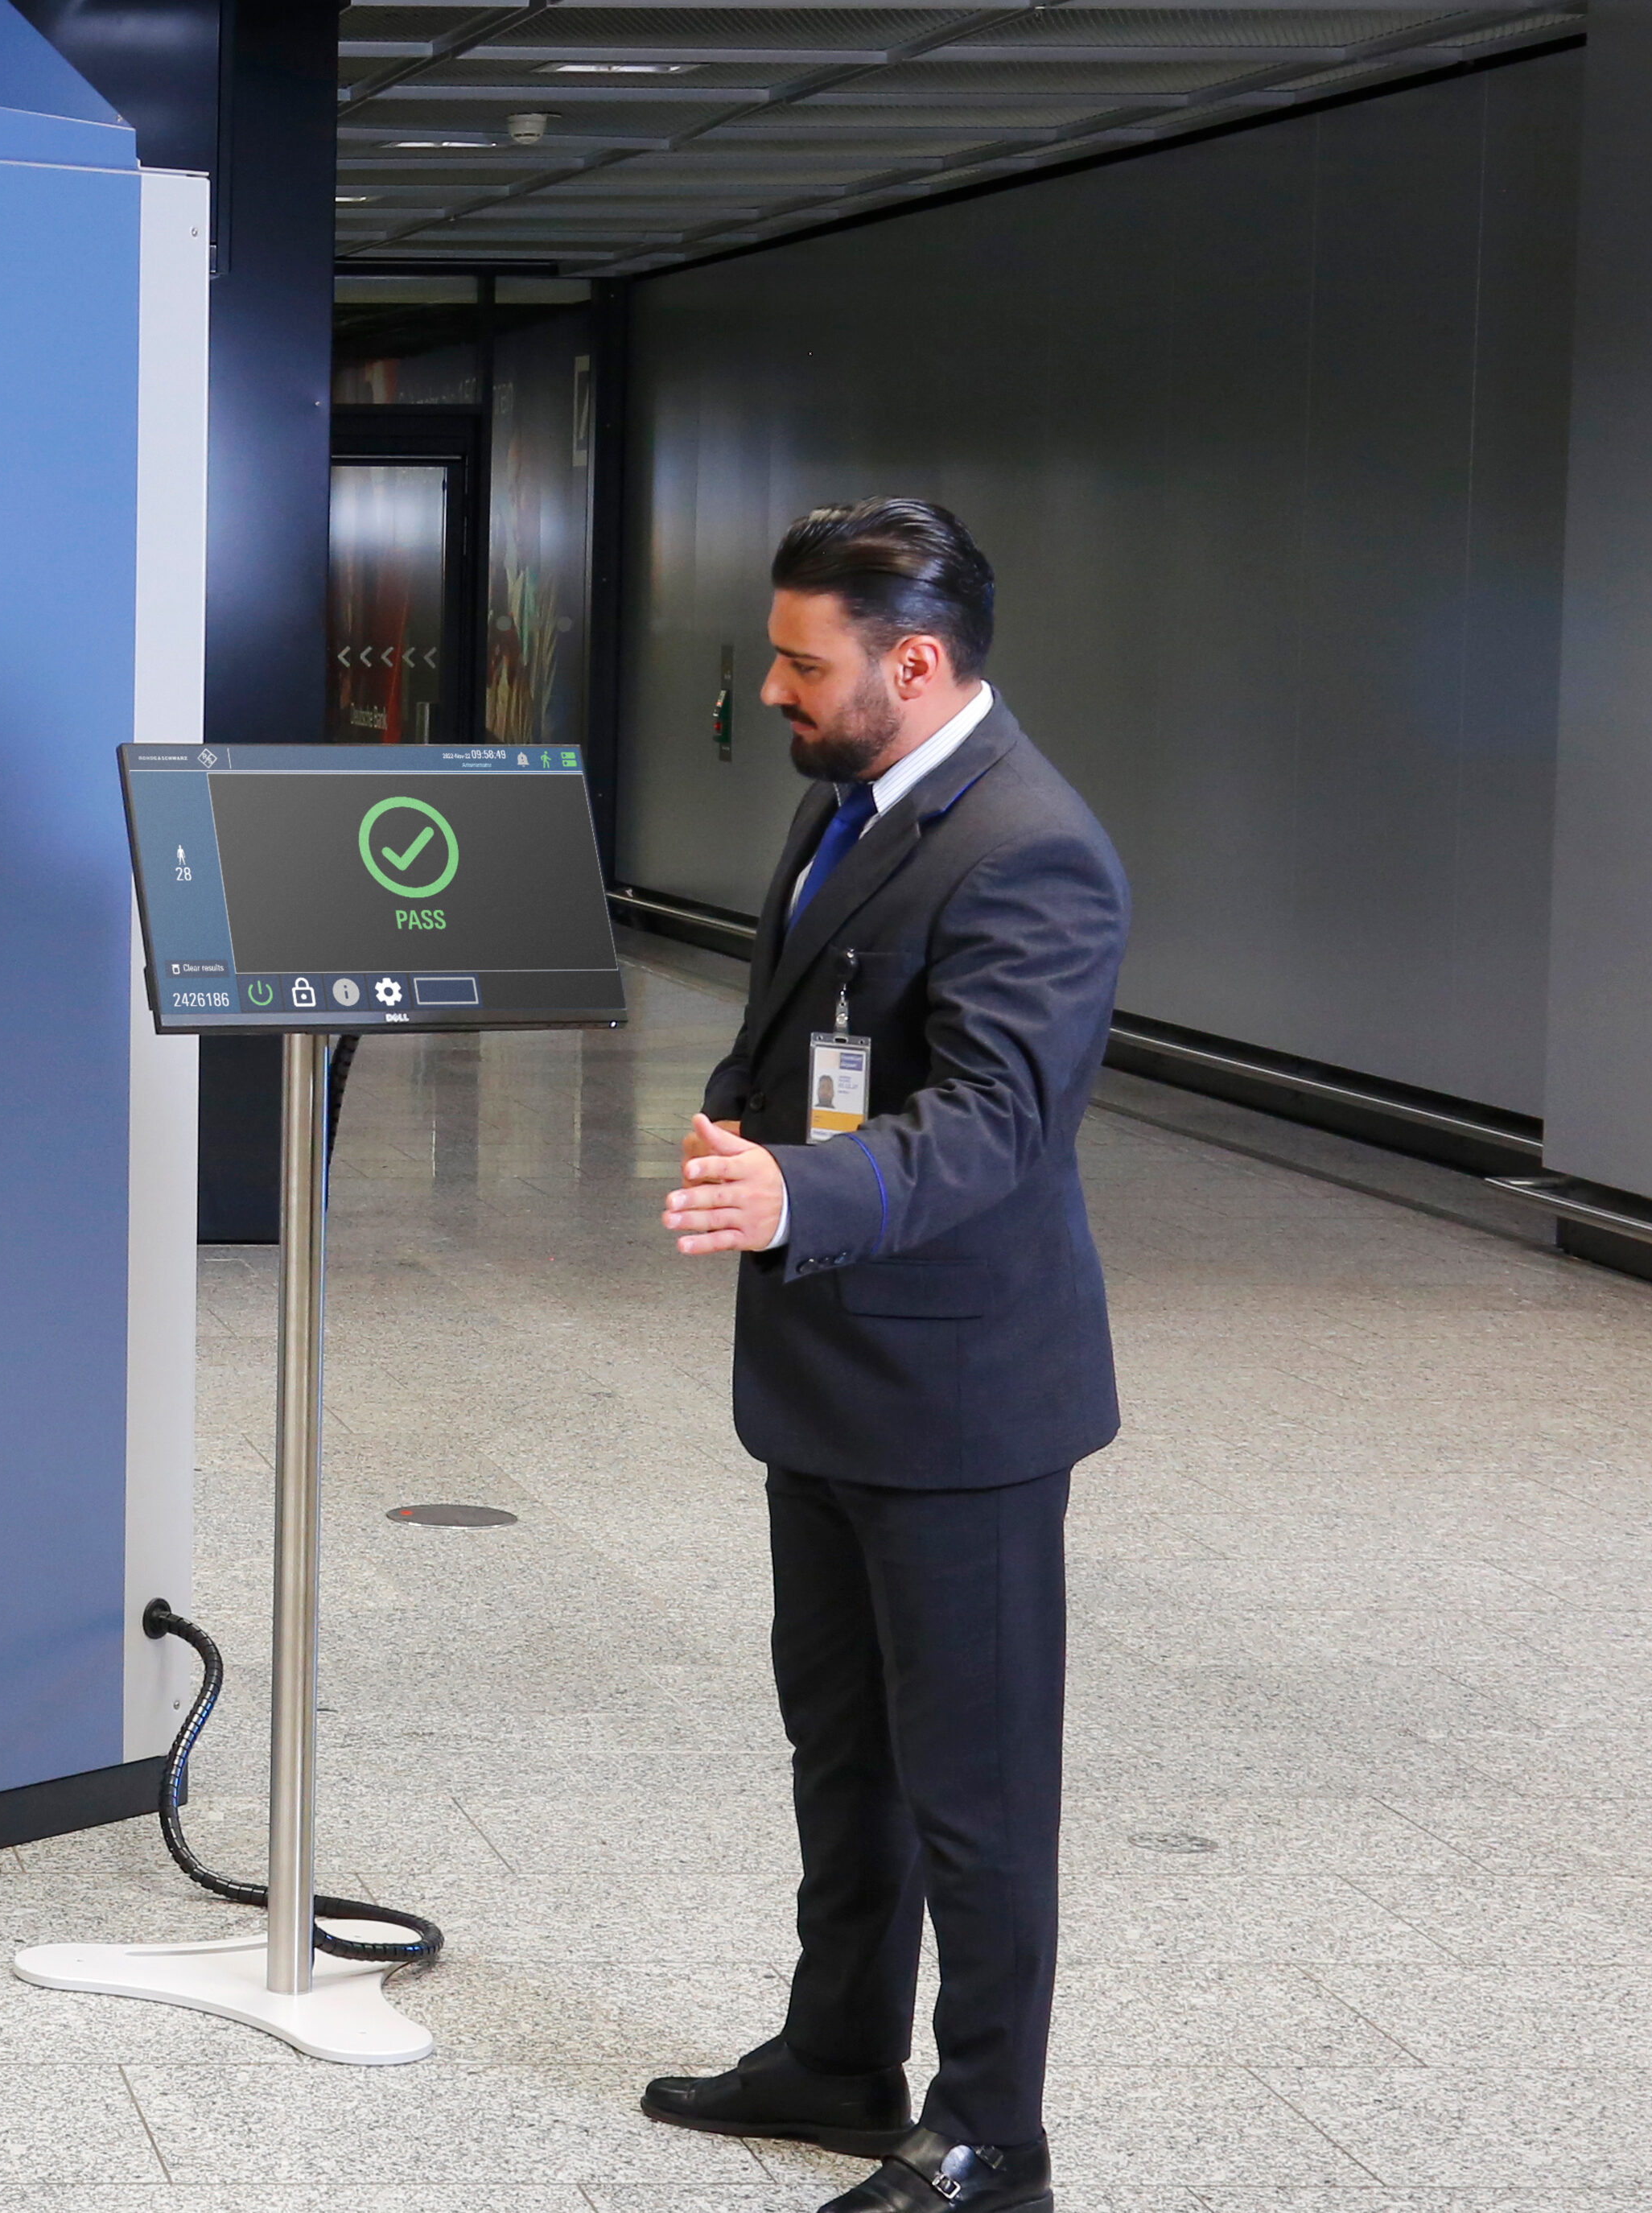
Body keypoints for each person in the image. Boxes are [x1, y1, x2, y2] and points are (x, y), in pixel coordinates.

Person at [647, 500, 1127, 2213]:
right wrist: (741, 1109)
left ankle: (995, 2131)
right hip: (829, 1369)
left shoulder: (1030, 846)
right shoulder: (849, 799)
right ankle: (839, 2053)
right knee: (842, 1748)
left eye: (804, 662)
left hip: (962, 1401)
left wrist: (797, 1181)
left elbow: (996, 1121)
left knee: (975, 1793)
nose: (773, 687)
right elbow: (824, 1023)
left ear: (913, 665)